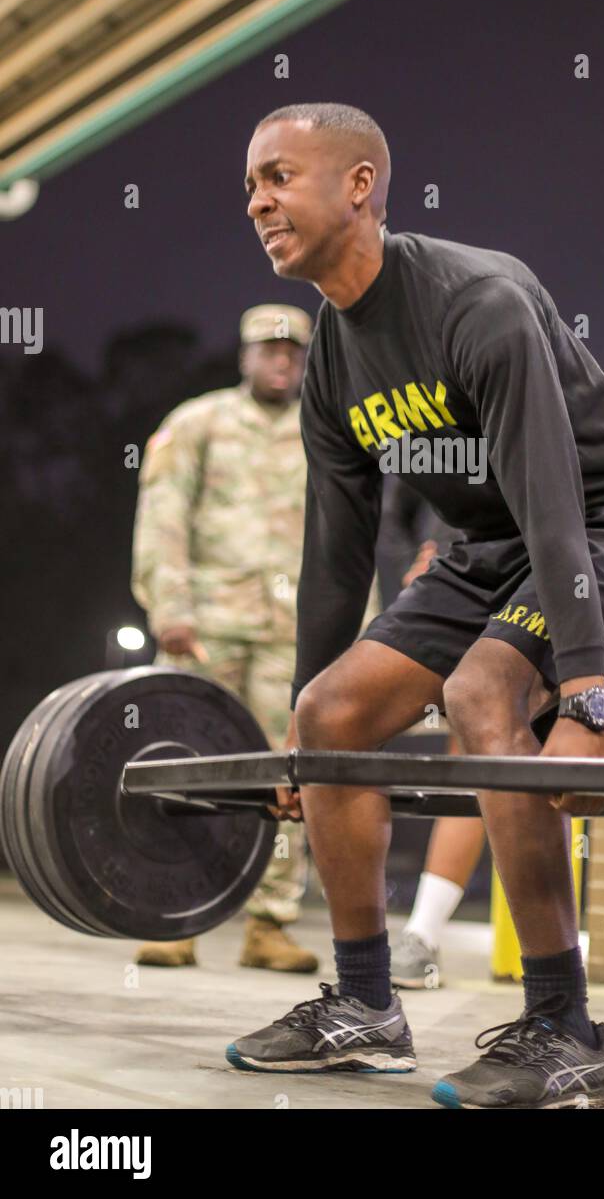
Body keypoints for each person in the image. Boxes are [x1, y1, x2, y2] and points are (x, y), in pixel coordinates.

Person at [227, 103, 604, 1109]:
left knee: (487, 692)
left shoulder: (476, 298)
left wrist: (583, 700)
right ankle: (364, 1008)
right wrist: (296, 743)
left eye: (278, 176)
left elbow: (550, 495)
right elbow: (335, 553)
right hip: (492, 547)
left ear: (359, 184)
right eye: (250, 188)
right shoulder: (330, 362)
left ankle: (563, 1027)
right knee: (333, 715)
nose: (258, 202)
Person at [131, 304, 319, 973]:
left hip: (289, 633)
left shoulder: (317, 429)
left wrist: (356, 632)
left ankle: (268, 924)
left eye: (293, 350)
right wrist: (170, 605)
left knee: (287, 774)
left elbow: (347, 538)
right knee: (186, 764)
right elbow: (164, 513)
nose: (281, 360)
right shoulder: (198, 422)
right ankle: (176, 914)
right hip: (205, 628)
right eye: (268, 349)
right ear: (243, 356)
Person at [379, 477, 486, 991]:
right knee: (340, 722)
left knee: (479, 756)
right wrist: (417, 558)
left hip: (519, 588)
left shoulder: (536, 405)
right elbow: (393, 512)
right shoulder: (425, 418)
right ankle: (363, 953)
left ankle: (423, 934)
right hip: (446, 594)